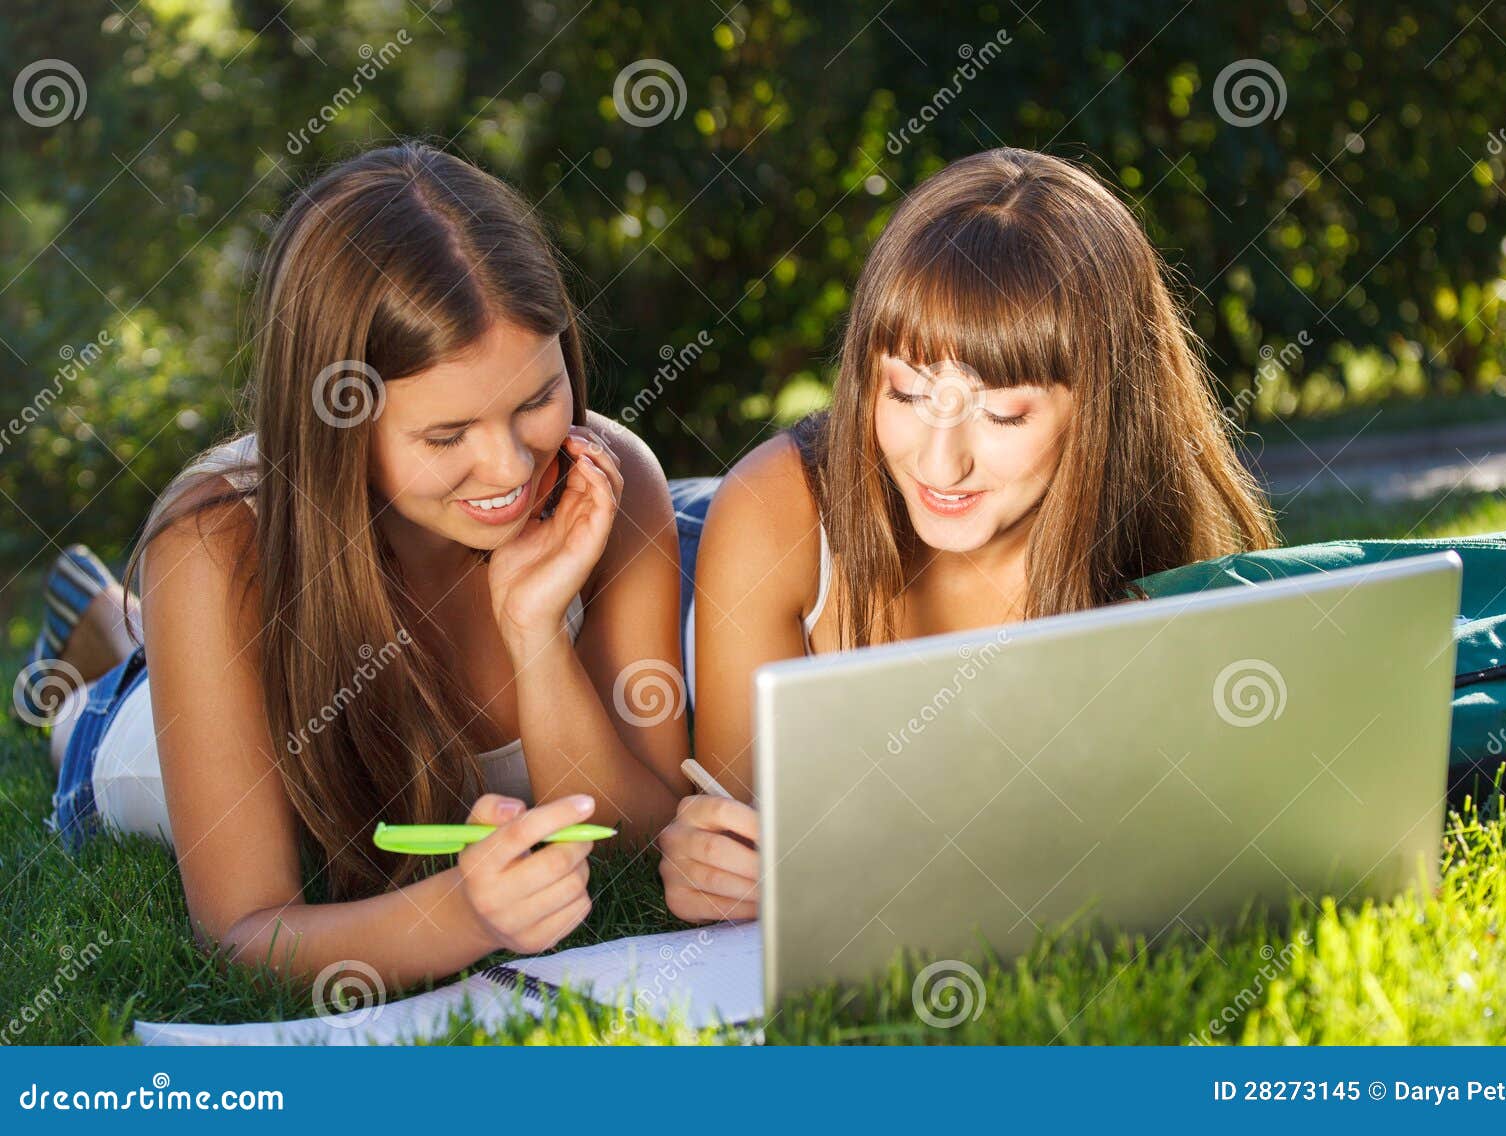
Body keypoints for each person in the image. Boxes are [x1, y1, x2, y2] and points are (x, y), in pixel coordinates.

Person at [16, 142, 691, 990]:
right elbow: (242, 931)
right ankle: (104, 644)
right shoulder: (211, 546)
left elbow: (644, 835)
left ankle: (115, 623)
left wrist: (536, 637)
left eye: (535, 401)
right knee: (84, 722)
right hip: (143, 737)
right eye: (445, 437)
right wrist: (466, 916)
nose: (512, 468)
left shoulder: (613, 482)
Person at [659, 148, 1278, 923]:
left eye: (1003, 414)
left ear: (1107, 407)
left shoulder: (1155, 531)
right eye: (909, 393)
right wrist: (717, 864)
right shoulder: (773, 509)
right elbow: (735, 826)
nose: (941, 462)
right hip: (687, 544)